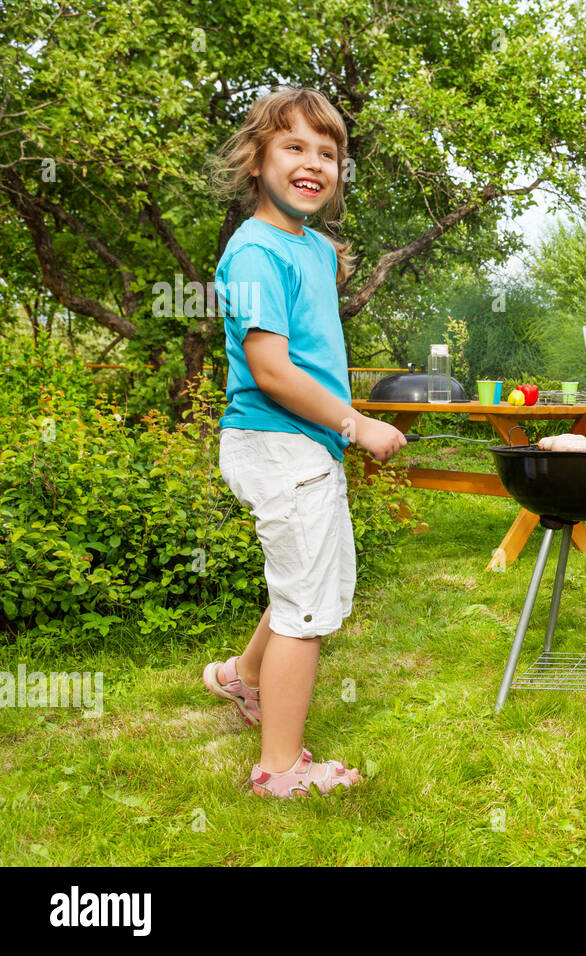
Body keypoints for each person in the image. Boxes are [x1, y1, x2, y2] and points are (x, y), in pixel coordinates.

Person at [201, 87, 406, 796]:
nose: (314, 162)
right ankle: (279, 768)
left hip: (301, 446)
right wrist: (357, 422)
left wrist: (325, 260)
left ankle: (242, 677)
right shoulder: (256, 251)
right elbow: (271, 369)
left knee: (306, 578)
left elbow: (314, 282)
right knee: (306, 611)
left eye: (329, 152)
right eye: (294, 147)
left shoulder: (308, 246)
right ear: (257, 160)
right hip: (279, 441)